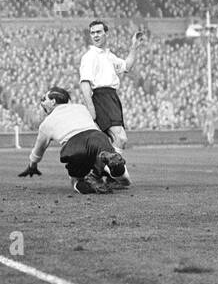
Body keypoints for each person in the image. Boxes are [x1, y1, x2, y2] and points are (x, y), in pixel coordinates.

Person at [18, 87, 127, 194]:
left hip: (73, 147)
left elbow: (38, 151)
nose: (42, 102)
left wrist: (32, 166)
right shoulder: (81, 108)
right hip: (96, 137)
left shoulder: (46, 123)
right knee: (103, 153)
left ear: (53, 101)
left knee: (75, 178)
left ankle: (83, 183)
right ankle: (110, 169)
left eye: (44, 99)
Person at [79, 20, 143, 187]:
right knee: (120, 138)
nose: (95, 35)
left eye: (99, 32)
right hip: (101, 98)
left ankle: (104, 175)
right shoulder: (89, 57)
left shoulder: (109, 56)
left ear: (106, 33)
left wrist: (134, 46)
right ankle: (108, 173)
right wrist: (91, 110)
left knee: (111, 142)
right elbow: (85, 84)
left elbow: (127, 66)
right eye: (92, 33)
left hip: (112, 97)